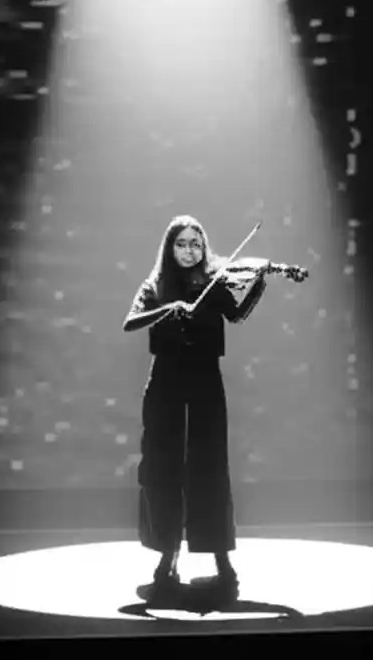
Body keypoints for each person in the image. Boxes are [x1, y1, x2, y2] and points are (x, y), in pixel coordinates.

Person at [122, 214, 268, 596]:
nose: (190, 251)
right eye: (183, 244)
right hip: (166, 383)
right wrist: (167, 310)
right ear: (170, 248)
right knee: (161, 467)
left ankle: (221, 559)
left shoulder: (214, 284)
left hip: (205, 382)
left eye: (196, 244)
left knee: (209, 467)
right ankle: (167, 555)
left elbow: (237, 315)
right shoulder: (155, 285)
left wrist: (259, 283)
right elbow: (131, 321)